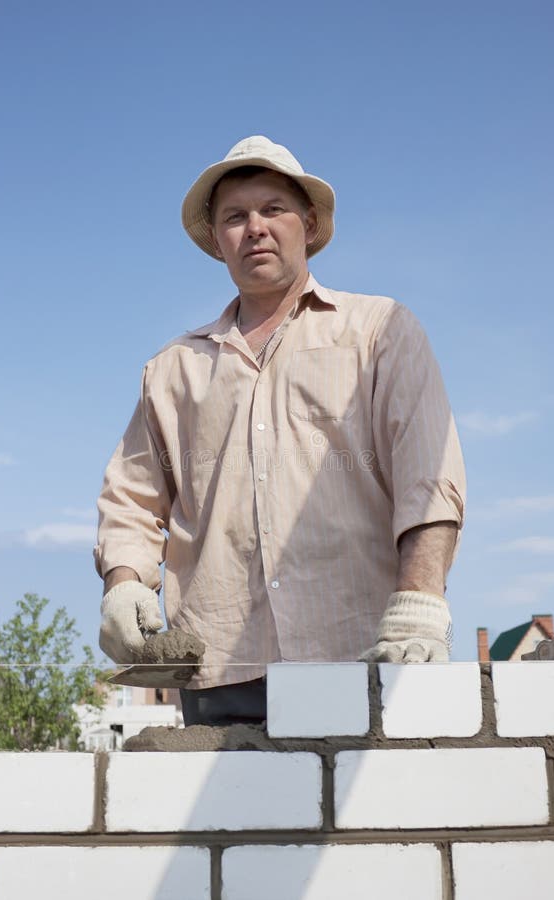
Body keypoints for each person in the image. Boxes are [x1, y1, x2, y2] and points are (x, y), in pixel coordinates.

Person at [95, 135, 466, 726]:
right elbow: (133, 498)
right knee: (233, 822)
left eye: (274, 209)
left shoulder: (380, 332)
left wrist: (422, 598)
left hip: (365, 654)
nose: (256, 228)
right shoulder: (173, 371)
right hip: (221, 671)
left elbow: (428, 472)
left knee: (383, 820)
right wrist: (125, 582)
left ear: (310, 224)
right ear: (218, 241)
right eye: (235, 217)